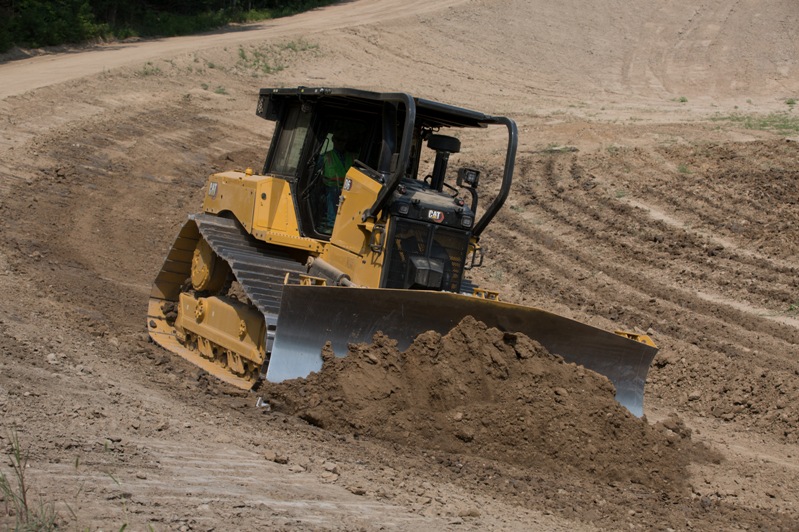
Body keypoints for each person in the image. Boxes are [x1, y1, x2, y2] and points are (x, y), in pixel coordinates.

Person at [320, 132, 355, 231]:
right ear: (333, 140)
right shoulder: (326, 156)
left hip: (349, 189)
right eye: (338, 140)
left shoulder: (352, 157)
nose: (340, 143)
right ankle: (331, 226)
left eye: (343, 140)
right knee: (332, 195)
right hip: (331, 188)